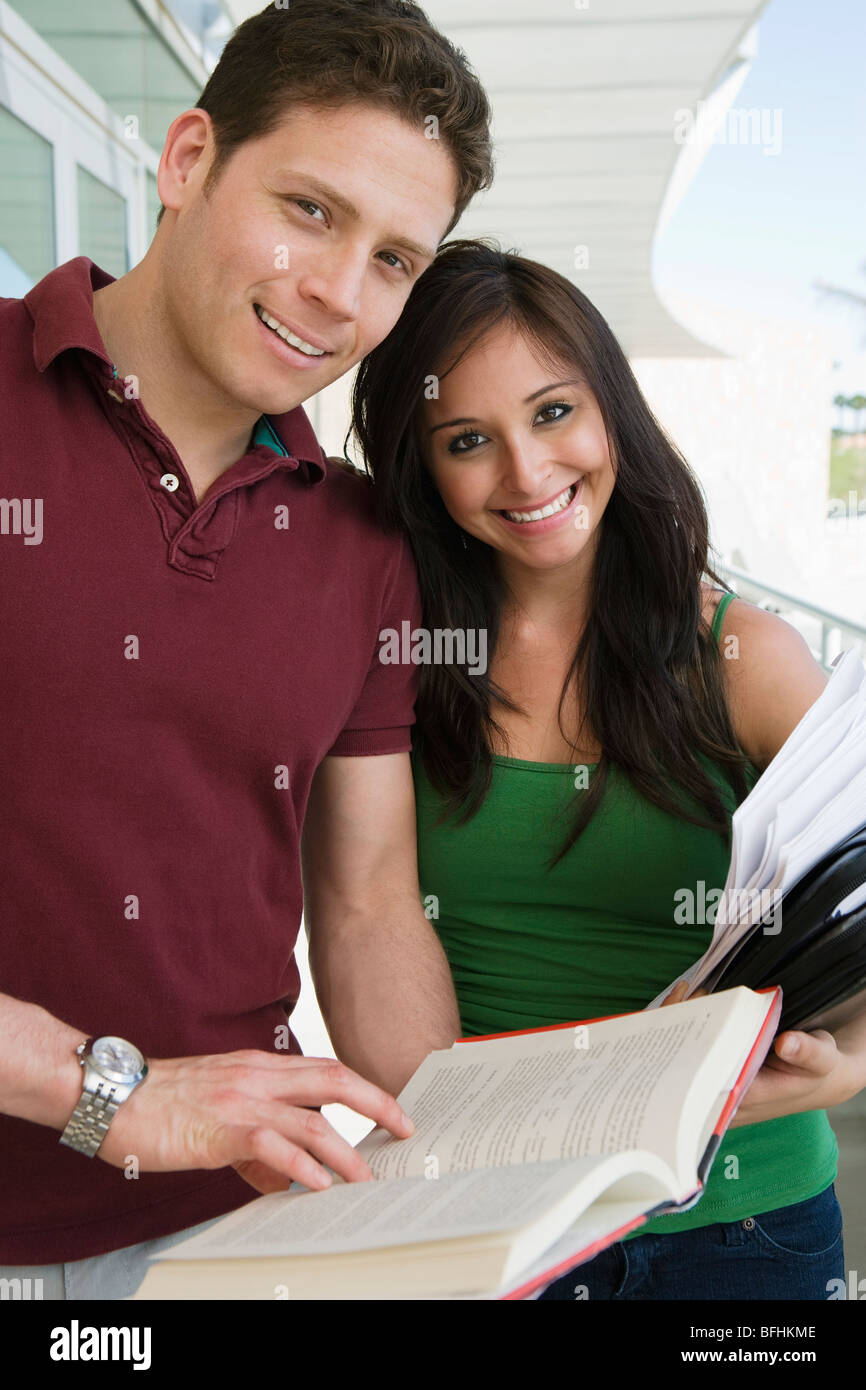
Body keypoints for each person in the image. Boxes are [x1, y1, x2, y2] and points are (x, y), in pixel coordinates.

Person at [0, 1, 494, 1299]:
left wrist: (451, 1168)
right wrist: (106, 1094)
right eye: (310, 209)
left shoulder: (366, 545)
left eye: (395, 258)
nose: (337, 291)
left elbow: (369, 900)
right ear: (185, 160)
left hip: (224, 1229)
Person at [349, 238, 866, 1299]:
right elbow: (358, 913)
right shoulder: (388, 664)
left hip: (742, 1227)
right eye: (465, 440)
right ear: (418, 462)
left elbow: (850, 895)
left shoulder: (743, 656)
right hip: (490, 1211)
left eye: (551, 413)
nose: (527, 474)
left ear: (611, 411)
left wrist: (852, 1058)